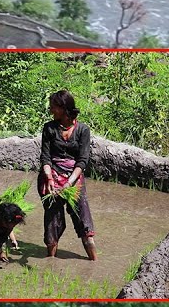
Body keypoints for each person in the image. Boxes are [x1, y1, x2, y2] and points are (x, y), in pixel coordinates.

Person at [38, 89, 96, 261]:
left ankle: (94, 261)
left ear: (63, 108)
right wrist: (49, 177)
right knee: (52, 222)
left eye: (53, 107)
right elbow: (45, 157)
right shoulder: (49, 128)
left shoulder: (82, 130)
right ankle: (50, 261)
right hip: (52, 178)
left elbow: (82, 161)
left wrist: (69, 183)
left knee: (83, 219)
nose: (50, 110)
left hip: (73, 179)